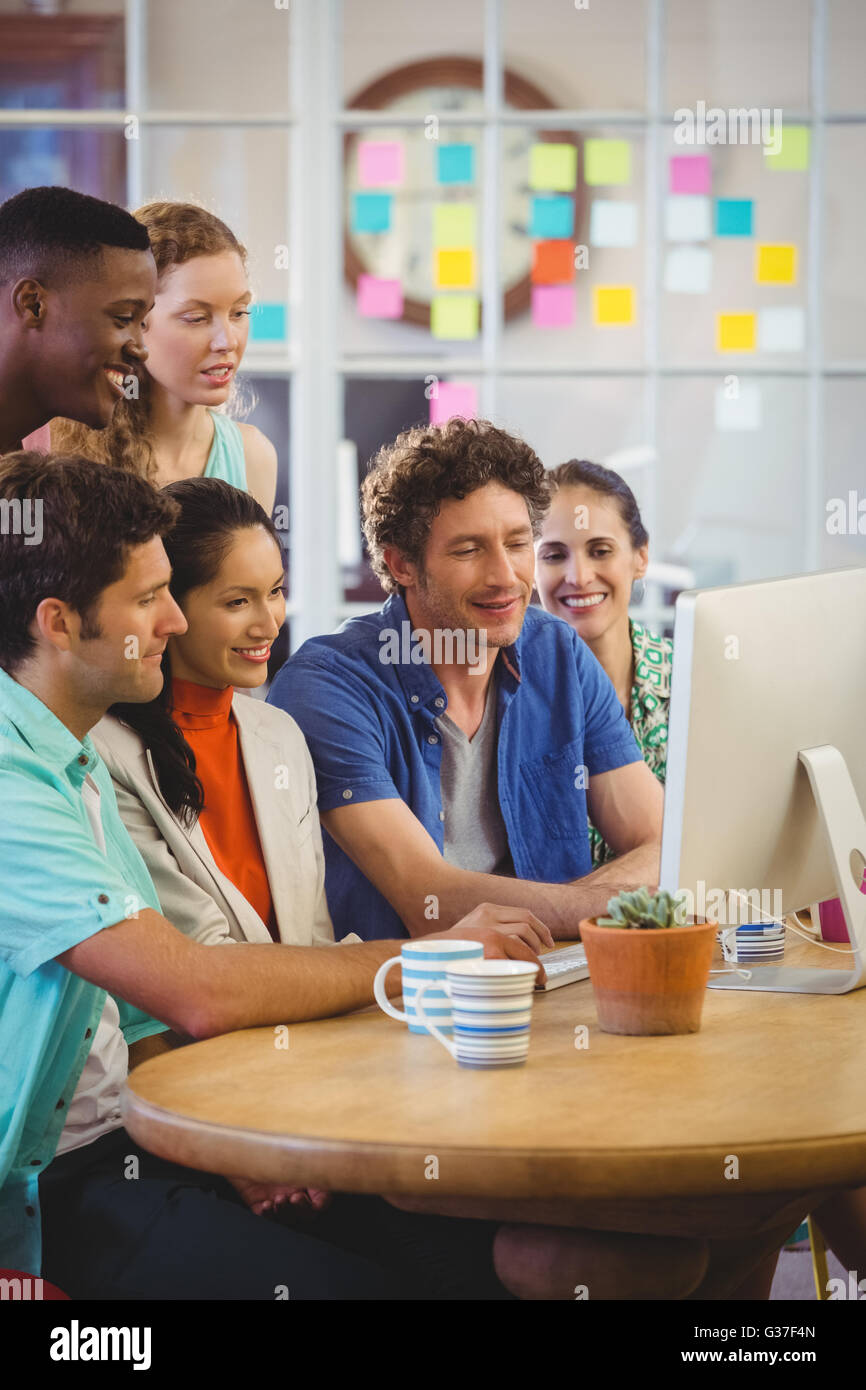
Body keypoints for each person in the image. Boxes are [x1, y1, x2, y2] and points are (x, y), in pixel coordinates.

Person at [0, 450, 548, 1300]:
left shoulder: (64, 757)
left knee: (481, 1259)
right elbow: (192, 989)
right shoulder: (20, 776)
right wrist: (433, 957)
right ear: (60, 625)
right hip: (68, 1182)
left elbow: (143, 1016)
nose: (175, 624)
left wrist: (232, 1146)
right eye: (152, 601)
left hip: (152, 1136)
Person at [268, 416, 665, 944]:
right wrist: (615, 907)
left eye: (518, 543)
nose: (506, 576)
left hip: (561, 986)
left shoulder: (557, 654)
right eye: (469, 550)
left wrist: (586, 908)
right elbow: (430, 902)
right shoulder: (328, 687)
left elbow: (665, 841)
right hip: (397, 1011)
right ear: (402, 563)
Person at [51, 201, 277, 514]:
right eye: (197, 318)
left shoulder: (253, 457)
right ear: (131, 321)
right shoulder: (61, 453)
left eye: (239, 312)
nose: (227, 341)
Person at [534, 459, 672, 867]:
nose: (579, 576)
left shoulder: (695, 682)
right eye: (555, 555)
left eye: (600, 551)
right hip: (554, 930)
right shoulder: (504, 698)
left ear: (641, 557)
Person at [0, 185, 155, 454]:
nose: (140, 350)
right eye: (123, 318)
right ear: (33, 304)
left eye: (141, 323)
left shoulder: (33, 442)